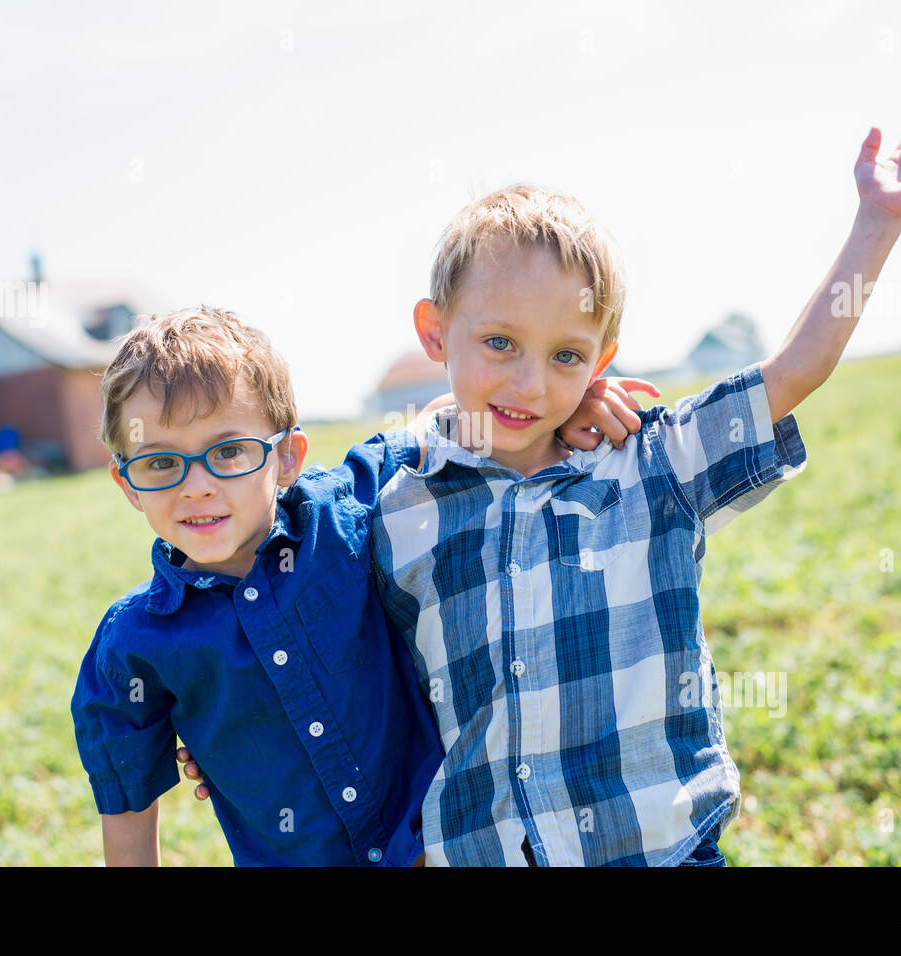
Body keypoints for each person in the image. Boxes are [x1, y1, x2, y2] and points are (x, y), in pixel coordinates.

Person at [366, 107, 901, 865]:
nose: (529, 382)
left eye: (565, 357)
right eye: (499, 343)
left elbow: (792, 373)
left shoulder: (649, 462)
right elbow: (354, 670)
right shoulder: (398, 505)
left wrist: (877, 221)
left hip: (661, 848)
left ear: (603, 359)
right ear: (434, 333)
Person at [72, 305, 653, 865]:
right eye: (158, 463)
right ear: (126, 483)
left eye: (229, 452)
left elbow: (442, 423)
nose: (196, 486)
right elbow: (126, 808)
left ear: (289, 458)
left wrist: (569, 405)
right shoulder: (133, 646)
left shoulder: (342, 510)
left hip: (450, 846)